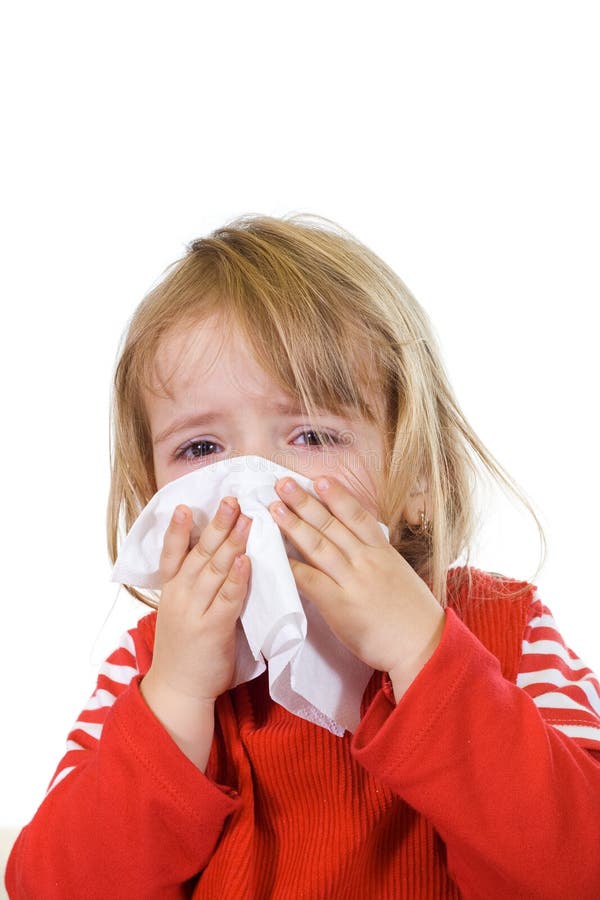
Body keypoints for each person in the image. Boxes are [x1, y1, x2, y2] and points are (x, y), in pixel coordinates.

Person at [6, 214, 600, 899]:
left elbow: (579, 869)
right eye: (201, 450)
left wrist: (422, 655)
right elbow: (49, 887)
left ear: (418, 481)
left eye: (313, 434)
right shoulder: (148, 667)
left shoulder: (509, 630)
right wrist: (175, 700)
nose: (256, 481)